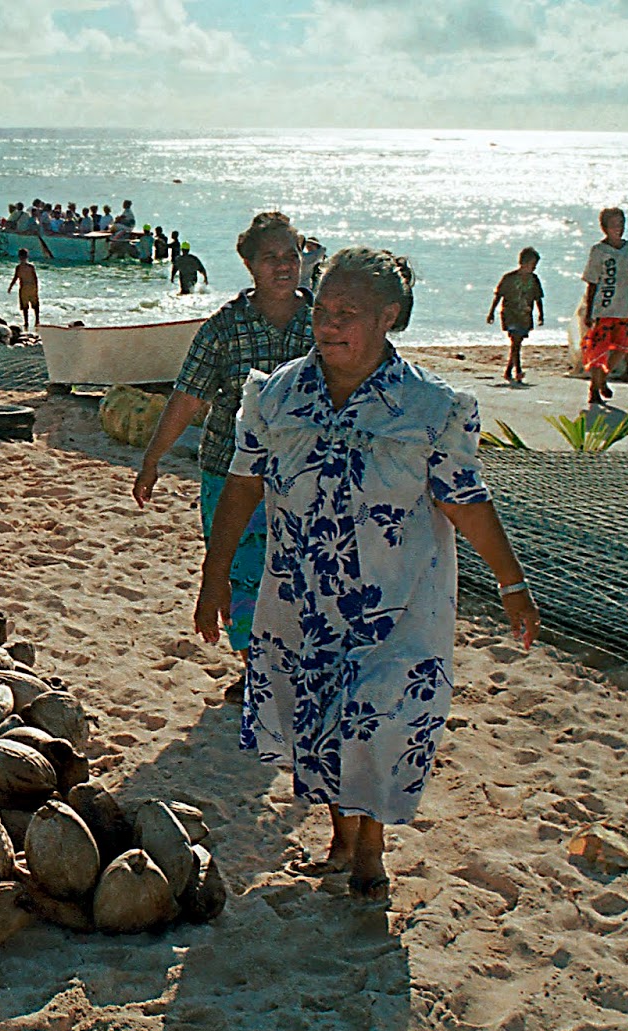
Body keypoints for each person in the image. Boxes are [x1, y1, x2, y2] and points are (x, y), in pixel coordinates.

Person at [195, 247, 540, 903]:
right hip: (302, 595)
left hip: (397, 601)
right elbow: (242, 486)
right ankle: (340, 839)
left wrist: (512, 582)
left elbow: (463, 498)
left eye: (347, 313)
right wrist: (216, 575)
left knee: (378, 718)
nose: (328, 325)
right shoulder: (275, 395)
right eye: (322, 310)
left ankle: (371, 850)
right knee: (319, 718)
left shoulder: (430, 407)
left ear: (389, 316)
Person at [133, 211, 314, 702]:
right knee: (237, 569)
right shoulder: (224, 329)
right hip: (227, 469)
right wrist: (153, 460)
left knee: (303, 570)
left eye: (291, 256)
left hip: (306, 475)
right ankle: (255, 670)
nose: (283, 266)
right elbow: (187, 397)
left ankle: (295, 668)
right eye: (271, 258)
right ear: (249, 265)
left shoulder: (324, 323)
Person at [581, 207, 628, 405]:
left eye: (621, 224)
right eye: (614, 225)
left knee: (622, 347)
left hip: (623, 306)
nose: (619, 229)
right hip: (603, 308)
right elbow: (592, 281)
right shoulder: (599, 251)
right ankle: (594, 389)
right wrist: (589, 311)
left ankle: (602, 379)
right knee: (599, 350)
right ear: (604, 227)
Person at [486, 247, 545, 384]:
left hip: (525, 315)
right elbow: (498, 295)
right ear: (523, 263)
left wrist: (541, 315)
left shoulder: (534, 280)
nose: (534, 267)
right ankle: (518, 371)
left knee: (517, 343)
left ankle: (508, 370)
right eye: (532, 264)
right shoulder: (509, 278)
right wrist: (491, 313)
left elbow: (538, 298)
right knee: (516, 341)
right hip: (510, 313)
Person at [9, 248, 40, 330]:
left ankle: (32, 321)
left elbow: (16, 278)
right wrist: (10, 286)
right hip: (28, 287)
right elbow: (16, 278)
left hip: (26, 288)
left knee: (30, 306)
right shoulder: (28, 267)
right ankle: (33, 321)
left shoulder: (23, 267)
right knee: (31, 306)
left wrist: (10, 287)